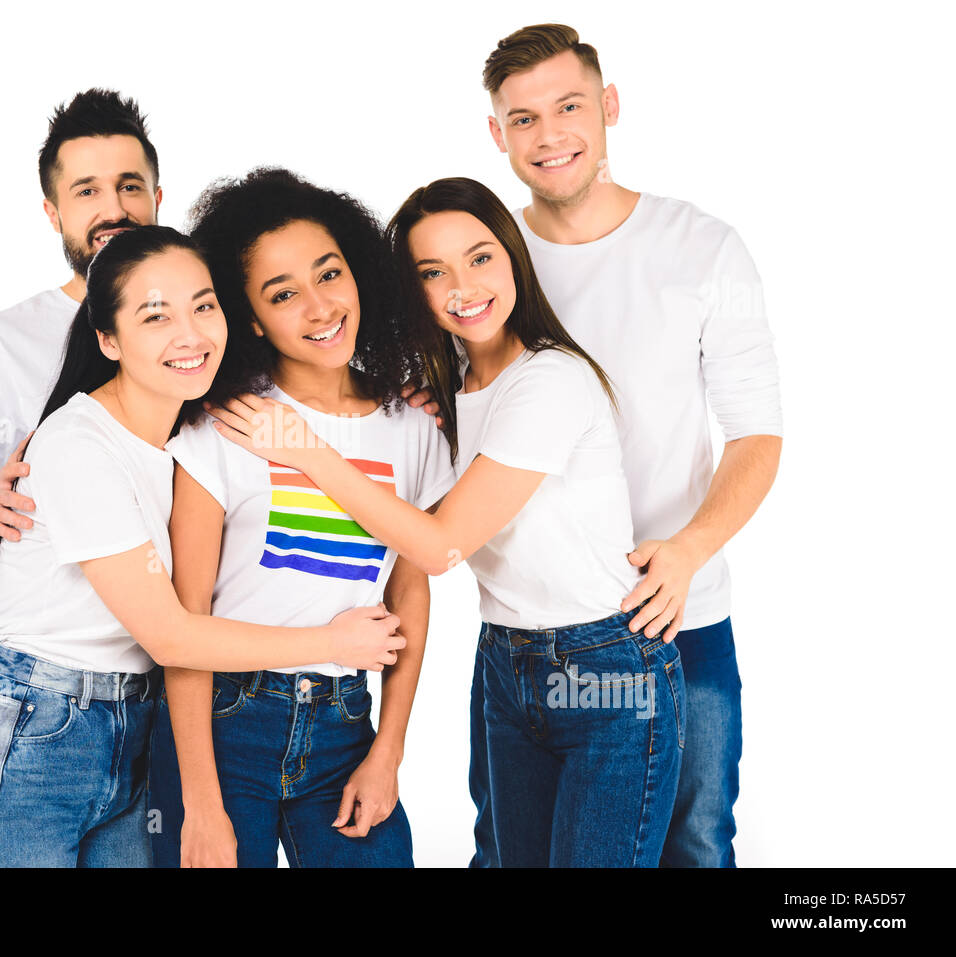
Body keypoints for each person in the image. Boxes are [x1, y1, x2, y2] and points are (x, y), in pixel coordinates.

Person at [208, 177, 684, 867]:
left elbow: (437, 548)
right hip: (507, 661)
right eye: (433, 272)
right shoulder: (444, 391)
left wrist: (305, 448)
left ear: (514, 256)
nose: (463, 286)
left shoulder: (550, 381)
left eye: (481, 257)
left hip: (605, 664)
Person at [0, 226, 405, 867]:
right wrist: (335, 643)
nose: (191, 334)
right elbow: (171, 637)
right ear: (108, 339)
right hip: (34, 731)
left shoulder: (191, 433)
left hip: (134, 732)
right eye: (156, 316)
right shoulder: (79, 444)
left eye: (204, 306)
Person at [479, 23, 783, 866]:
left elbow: (757, 432)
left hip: (679, 613)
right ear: (497, 135)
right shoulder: (484, 260)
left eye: (569, 106)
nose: (550, 135)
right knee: (511, 850)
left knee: (693, 841)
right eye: (524, 118)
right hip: (532, 632)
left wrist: (687, 553)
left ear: (608, 107)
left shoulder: (703, 248)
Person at [149, 169, 456, 868]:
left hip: (344, 728)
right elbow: (184, 622)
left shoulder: (410, 426)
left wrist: (389, 751)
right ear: (250, 317)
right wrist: (199, 803)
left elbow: (410, 589)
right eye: (283, 294)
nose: (320, 308)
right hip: (228, 729)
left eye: (330, 274)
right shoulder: (220, 425)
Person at [0, 89, 163, 551]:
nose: (114, 211)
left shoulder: (208, 329)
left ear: (157, 197)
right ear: (53, 213)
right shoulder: (6, 342)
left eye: (130, 186)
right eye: (87, 191)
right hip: (40, 622)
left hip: (186, 623)